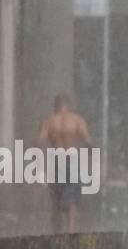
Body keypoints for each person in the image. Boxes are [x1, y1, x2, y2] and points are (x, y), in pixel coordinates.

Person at [36, 93, 95, 234]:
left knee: (56, 201)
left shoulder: (49, 122)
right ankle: (70, 234)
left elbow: (39, 142)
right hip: (72, 160)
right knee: (72, 201)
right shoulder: (77, 121)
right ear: (69, 105)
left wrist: (40, 165)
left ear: (55, 106)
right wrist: (91, 158)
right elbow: (88, 141)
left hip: (56, 159)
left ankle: (56, 236)